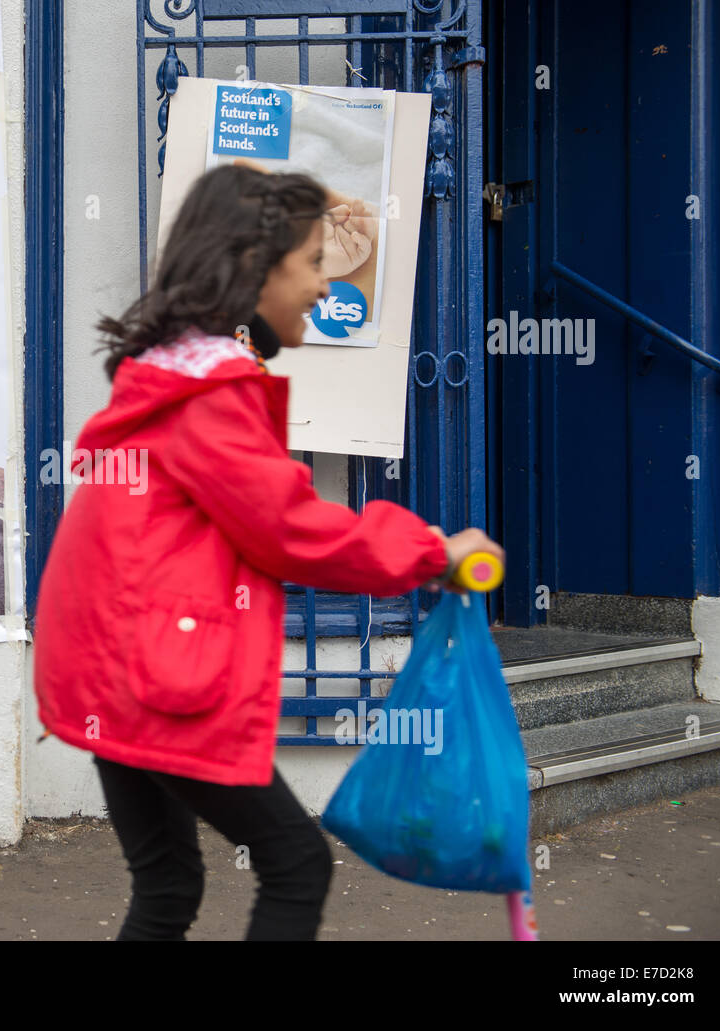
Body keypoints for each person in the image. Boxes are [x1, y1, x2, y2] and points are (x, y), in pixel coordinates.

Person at [31, 163, 504, 941]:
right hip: (148, 678)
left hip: (107, 669)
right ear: (256, 268)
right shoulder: (210, 394)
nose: (325, 286)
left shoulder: (173, 377)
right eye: (314, 262)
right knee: (295, 863)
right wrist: (433, 551)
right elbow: (289, 529)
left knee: (167, 884)